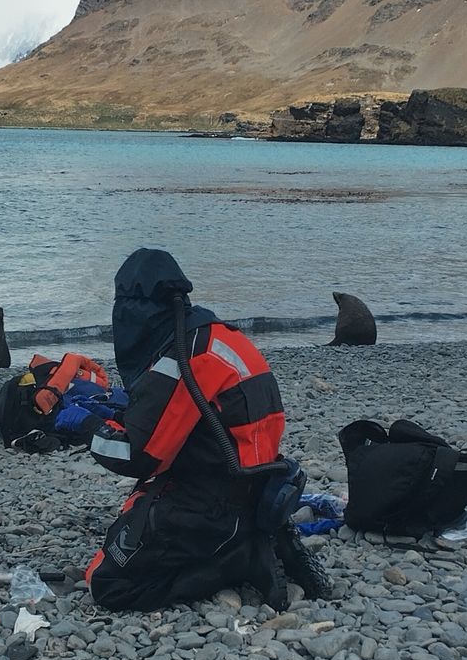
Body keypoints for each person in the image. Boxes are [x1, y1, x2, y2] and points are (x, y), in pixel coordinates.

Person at [71, 248, 332, 612]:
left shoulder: (181, 358)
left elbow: (138, 456)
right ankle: (252, 538)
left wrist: (84, 426)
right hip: (256, 487)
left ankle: (234, 559)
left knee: (108, 583)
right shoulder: (212, 335)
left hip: (213, 503)